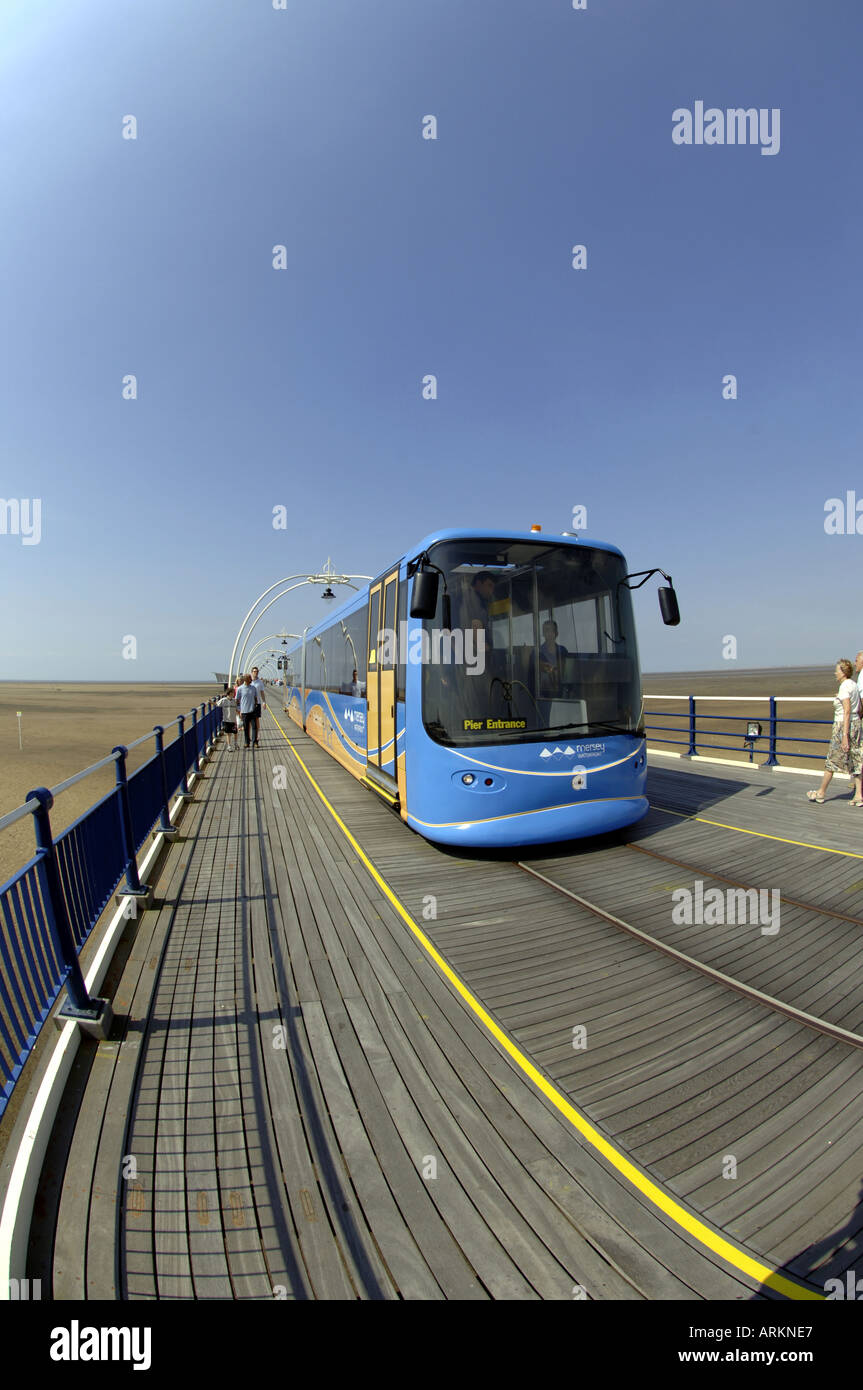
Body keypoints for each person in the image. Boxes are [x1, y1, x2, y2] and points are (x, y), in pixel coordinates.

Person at [807, 659, 863, 805]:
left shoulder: (844, 687)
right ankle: (858, 795)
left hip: (843, 726)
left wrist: (844, 735)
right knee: (856, 760)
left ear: (843, 672)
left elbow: (847, 710)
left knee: (831, 761)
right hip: (856, 723)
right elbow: (859, 707)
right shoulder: (854, 685)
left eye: (837, 670)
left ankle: (821, 793)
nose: (835, 673)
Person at [237, 674, 259, 748]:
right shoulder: (240, 689)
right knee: (246, 728)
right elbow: (237, 700)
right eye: (249, 678)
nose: (251, 679)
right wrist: (239, 711)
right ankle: (247, 742)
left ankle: (255, 742)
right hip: (244, 712)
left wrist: (255, 705)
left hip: (252, 711)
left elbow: (255, 697)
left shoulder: (253, 688)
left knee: (254, 727)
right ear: (246, 680)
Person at [218, 684, 238, 750]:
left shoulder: (234, 701)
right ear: (229, 693)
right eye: (232, 693)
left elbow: (237, 709)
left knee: (235, 732)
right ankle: (229, 745)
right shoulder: (223, 700)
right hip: (226, 720)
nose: (233, 694)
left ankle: (235, 743)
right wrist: (211, 702)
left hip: (233, 720)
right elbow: (217, 704)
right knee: (228, 733)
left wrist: (239, 714)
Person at [250, 666, 266, 739]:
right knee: (249, 720)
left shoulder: (260, 682)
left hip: (257, 703)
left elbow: (262, 692)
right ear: (251, 672)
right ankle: (250, 735)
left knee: (256, 719)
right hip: (249, 703)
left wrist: (264, 702)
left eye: (256, 671)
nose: (255, 673)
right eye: (254, 671)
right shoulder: (248, 681)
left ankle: (257, 734)